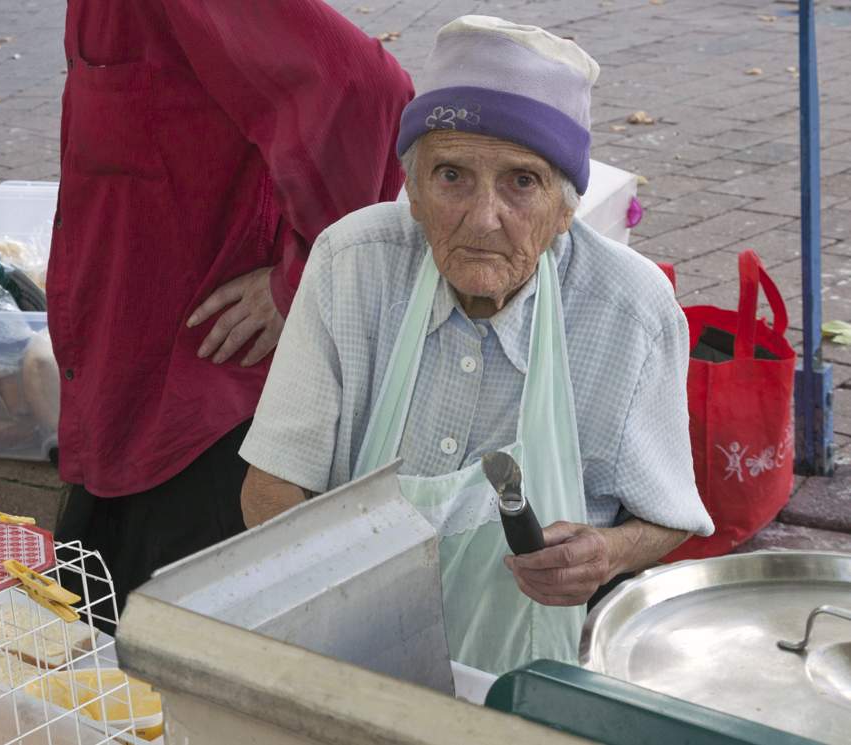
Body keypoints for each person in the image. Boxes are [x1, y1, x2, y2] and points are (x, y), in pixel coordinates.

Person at [238, 16, 714, 675]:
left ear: (566, 208)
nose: (484, 217)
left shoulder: (629, 310)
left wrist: (607, 551)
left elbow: (669, 516)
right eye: (453, 176)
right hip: (345, 650)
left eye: (522, 182)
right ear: (412, 191)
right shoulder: (352, 264)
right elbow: (269, 488)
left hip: (520, 682)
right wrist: (344, 616)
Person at [51, 1, 414, 619]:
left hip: (200, 405)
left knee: (175, 676)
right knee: (89, 666)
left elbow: (364, 86)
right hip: (120, 382)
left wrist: (302, 279)